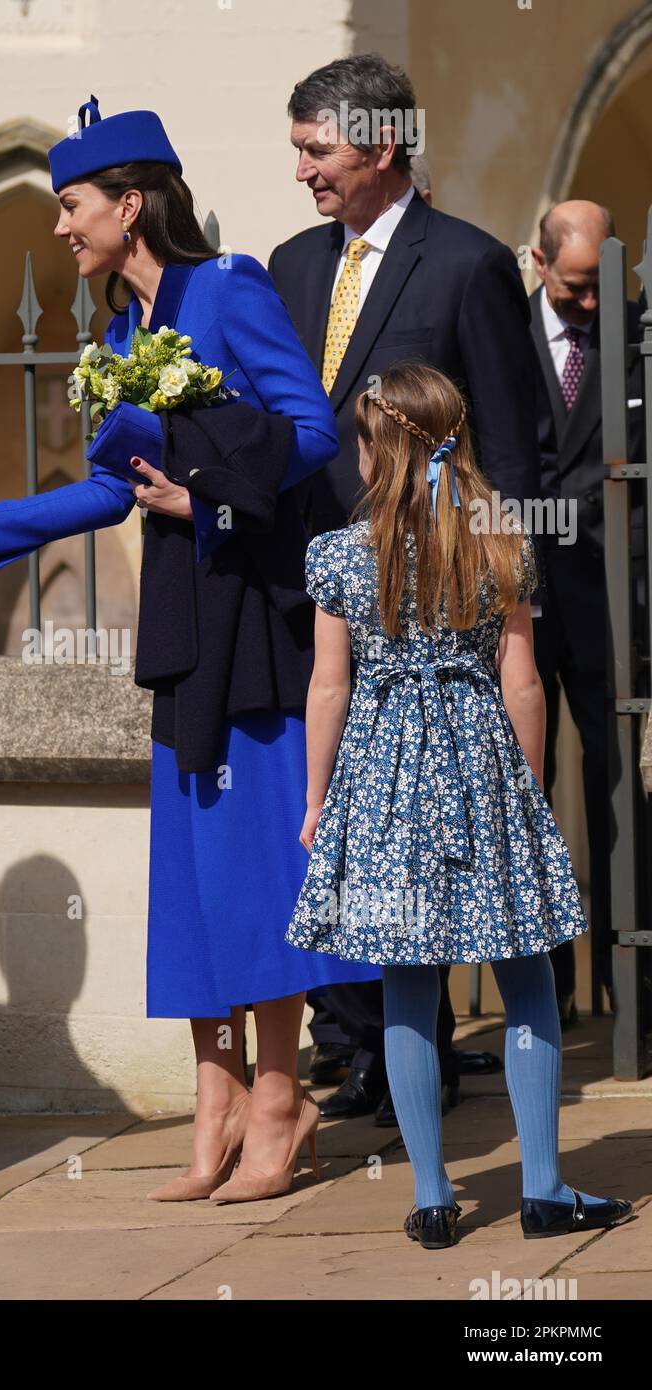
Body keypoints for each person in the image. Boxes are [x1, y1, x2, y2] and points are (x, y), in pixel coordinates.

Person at [0, 94, 380, 1204]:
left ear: (131, 204)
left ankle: (282, 1096)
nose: (62, 230)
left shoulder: (231, 288)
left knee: (261, 872)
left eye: (72, 208)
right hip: (182, 620)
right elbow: (100, 491)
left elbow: (313, 430)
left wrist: (201, 485)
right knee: (197, 880)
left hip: (254, 615)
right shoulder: (120, 337)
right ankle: (214, 1101)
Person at [284, 359, 634, 1249]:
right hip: (480, 764)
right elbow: (522, 685)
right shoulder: (501, 543)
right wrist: (524, 789)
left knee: (407, 982)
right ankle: (546, 1190)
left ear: (378, 452)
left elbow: (330, 688)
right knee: (525, 981)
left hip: (385, 769)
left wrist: (318, 800)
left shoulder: (337, 555)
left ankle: (435, 1198)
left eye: (363, 441)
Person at [269, 52, 541, 1121]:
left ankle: (412, 1048)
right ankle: (354, 1041)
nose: (303, 172)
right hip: (319, 593)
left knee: (432, 834)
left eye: (318, 149)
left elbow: (511, 450)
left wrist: (504, 596)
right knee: (342, 828)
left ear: (382, 146)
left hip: (435, 612)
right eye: (297, 150)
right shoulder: (291, 266)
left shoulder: (468, 263)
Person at [529, 200, 644, 1026]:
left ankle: (627, 987)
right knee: (527, 794)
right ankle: (546, 999)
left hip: (615, 601)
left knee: (619, 796)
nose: (594, 303)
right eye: (576, 288)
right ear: (539, 266)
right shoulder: (497, 330)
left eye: (604, 282)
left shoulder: (639, 329)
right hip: (521, 603)